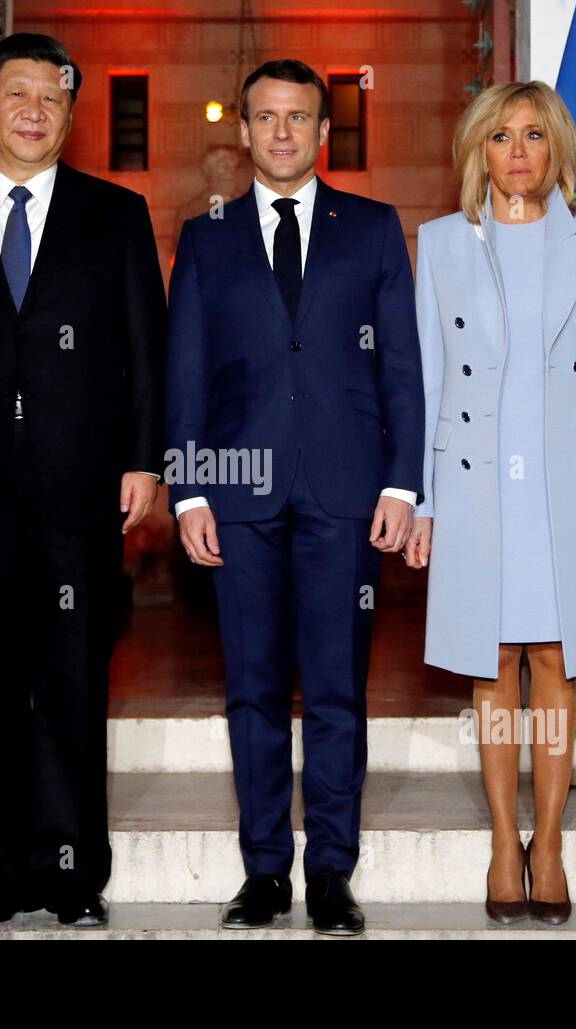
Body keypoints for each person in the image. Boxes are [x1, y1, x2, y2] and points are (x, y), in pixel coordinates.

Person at [0, 33, 166, 928]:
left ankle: (74, 876)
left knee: (74, 683)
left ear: (71, 112)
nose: (34, 111)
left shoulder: (114, 214)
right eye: (16, 93)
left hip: (80, 488)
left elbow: (143, 355)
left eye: (52, 96)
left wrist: (143, 460)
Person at [165, 60, 425, 936]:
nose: (281, 133)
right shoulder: (204, 238)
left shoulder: (376, 230)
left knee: (339, 688)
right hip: (237, 496)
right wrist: (189, 488)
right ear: (242, 132)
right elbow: (186, 376)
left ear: (324, 133)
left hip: (346, 492)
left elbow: (401, 367)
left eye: (299, 118)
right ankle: (265, 873)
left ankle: (331, 875)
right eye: (265, 118)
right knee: (255, 688)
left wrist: (403, 481)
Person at [406, 81, 576, 925]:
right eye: (499, 137)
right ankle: (498, 845)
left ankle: (546, 845)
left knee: (553, 662)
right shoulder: (442, 243)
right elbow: (429, 381)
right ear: (478, 151)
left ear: (557, 149)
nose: (517, 152)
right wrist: (425, 501)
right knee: (491, 667)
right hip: (477, 482)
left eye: (533, 136)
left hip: (562, 477)